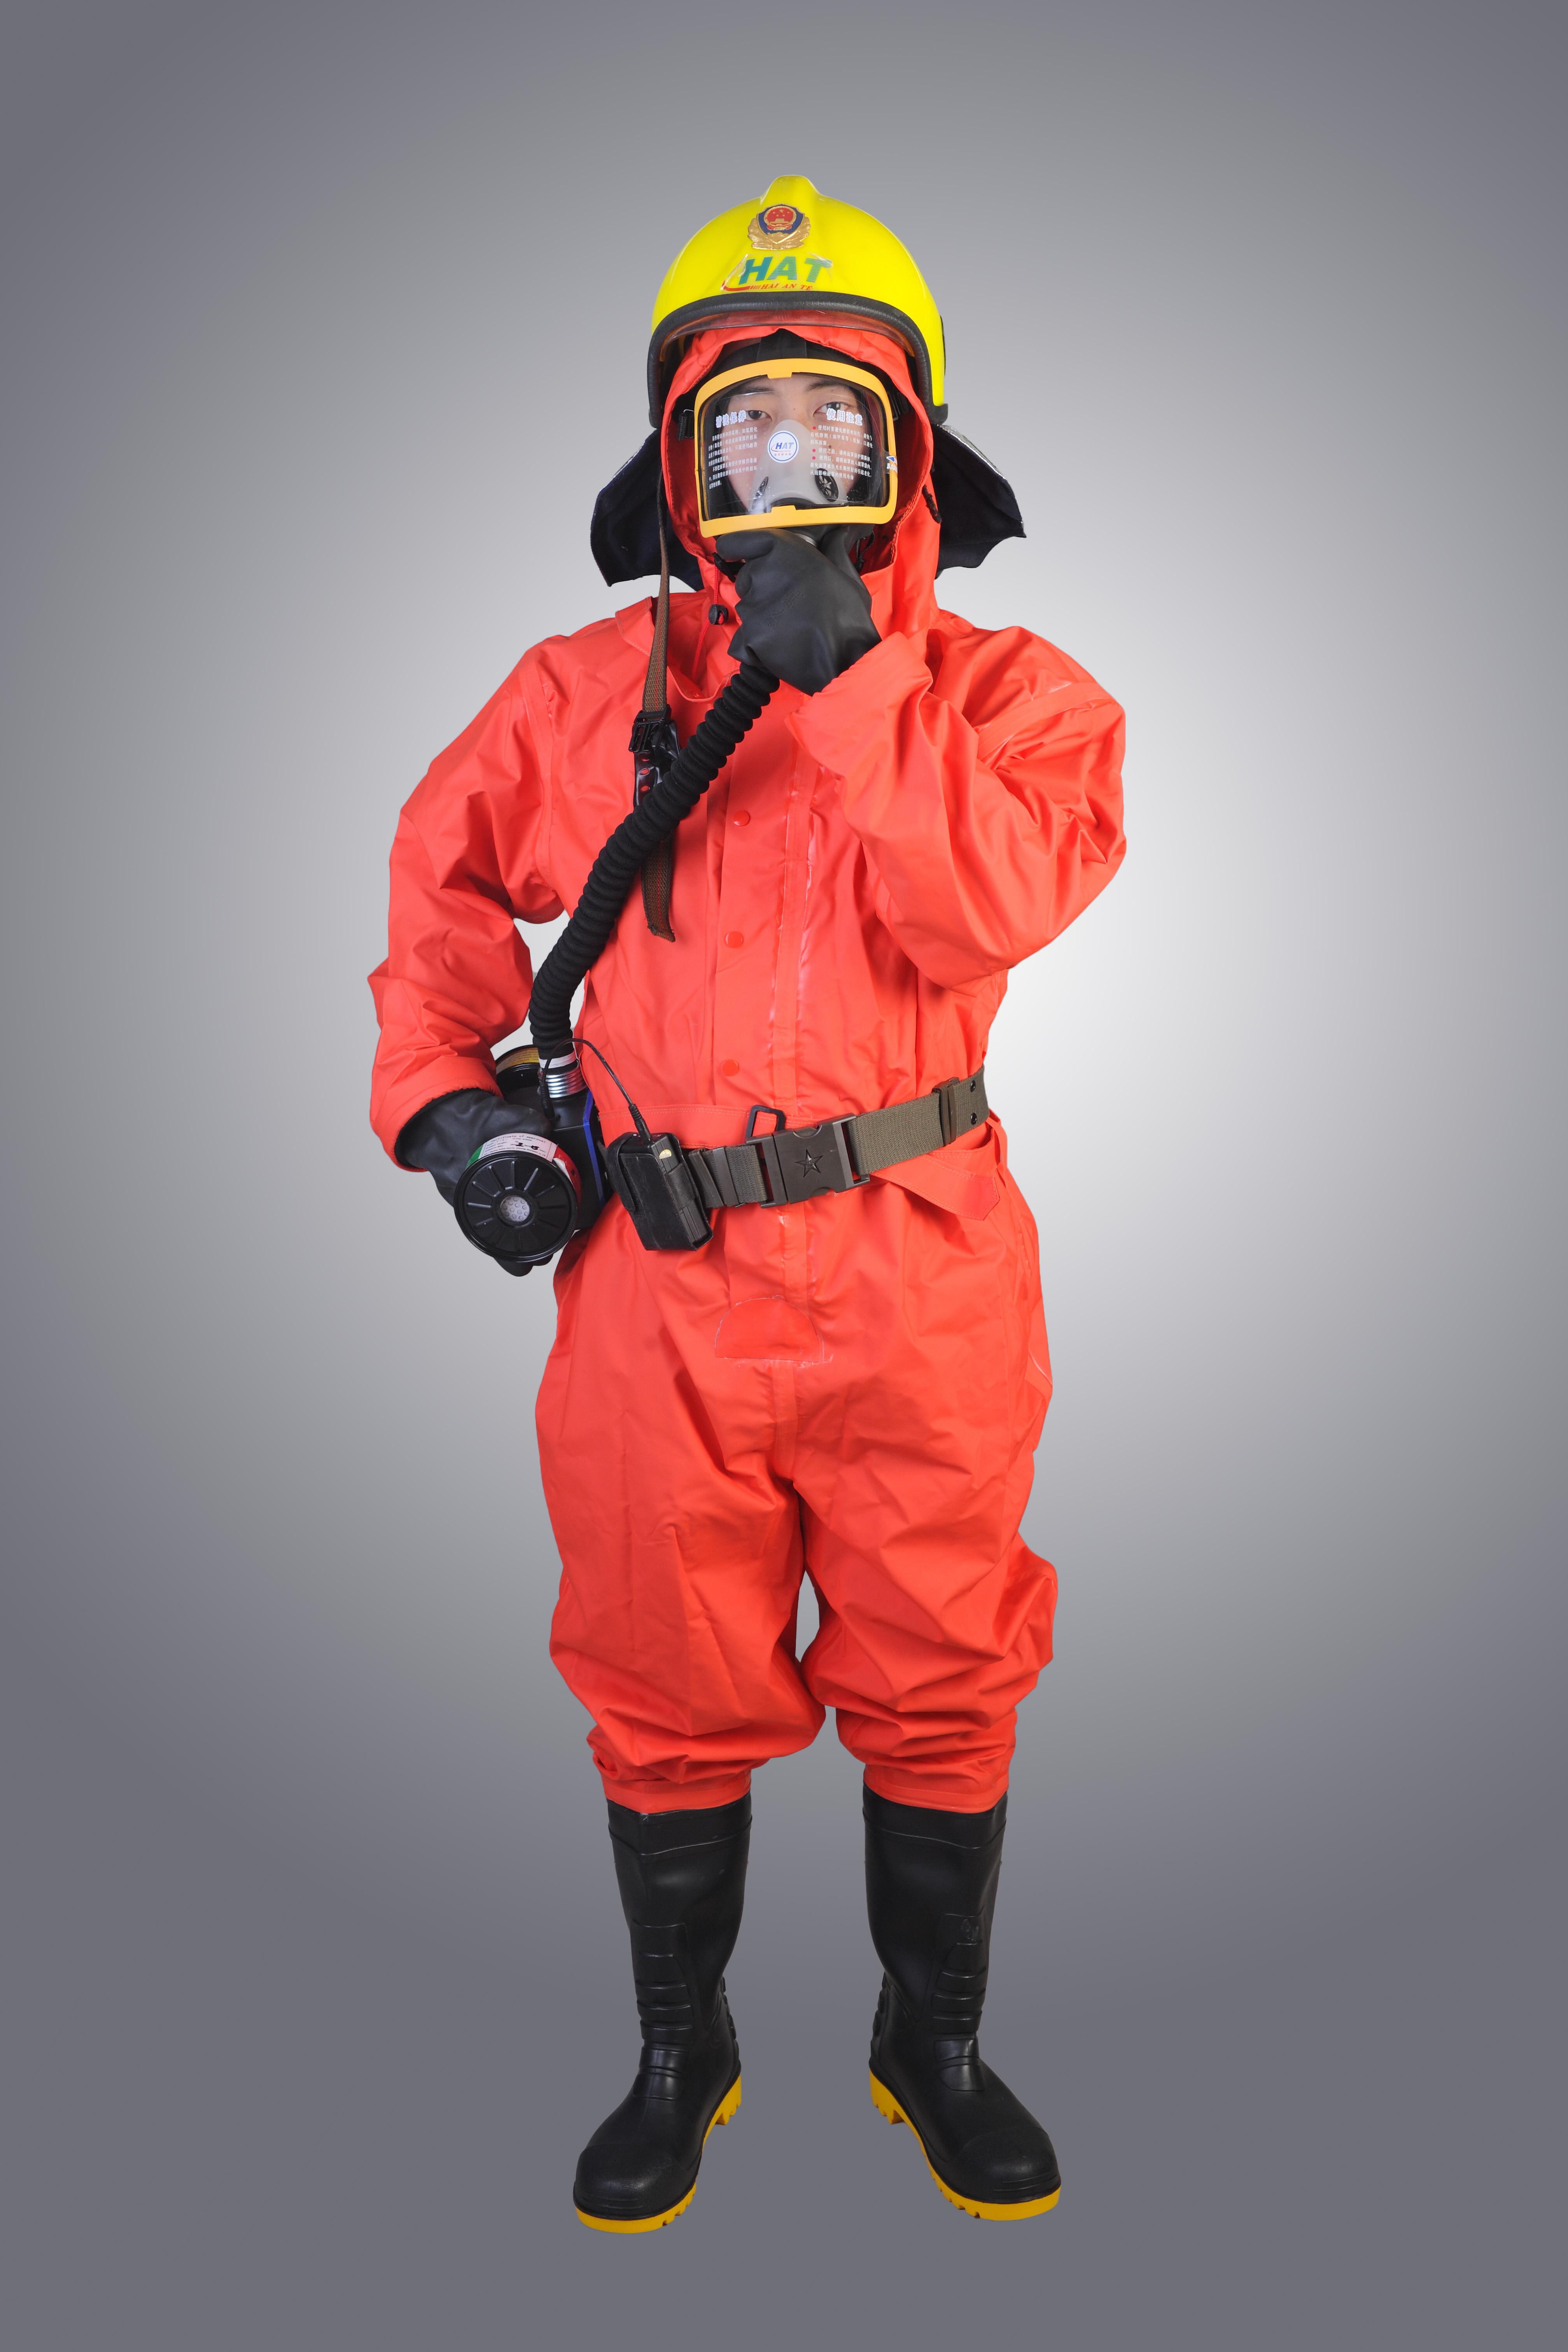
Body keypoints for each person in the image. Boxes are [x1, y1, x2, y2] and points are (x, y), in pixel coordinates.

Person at [369, 176, 1126, 2232]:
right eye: (745, 421)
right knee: (656, 1660)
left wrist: (859, 685)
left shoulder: (1014, 699)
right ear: (682, 458)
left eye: (833, 421)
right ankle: (675, 2052)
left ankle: (930, 2046)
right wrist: (453, 1112)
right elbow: (440, 887)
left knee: (945, 1654)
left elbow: (994, 900)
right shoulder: (579, 695)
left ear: (911, 448)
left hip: (922, 1274)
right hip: (660, 1279)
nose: (789, 463)